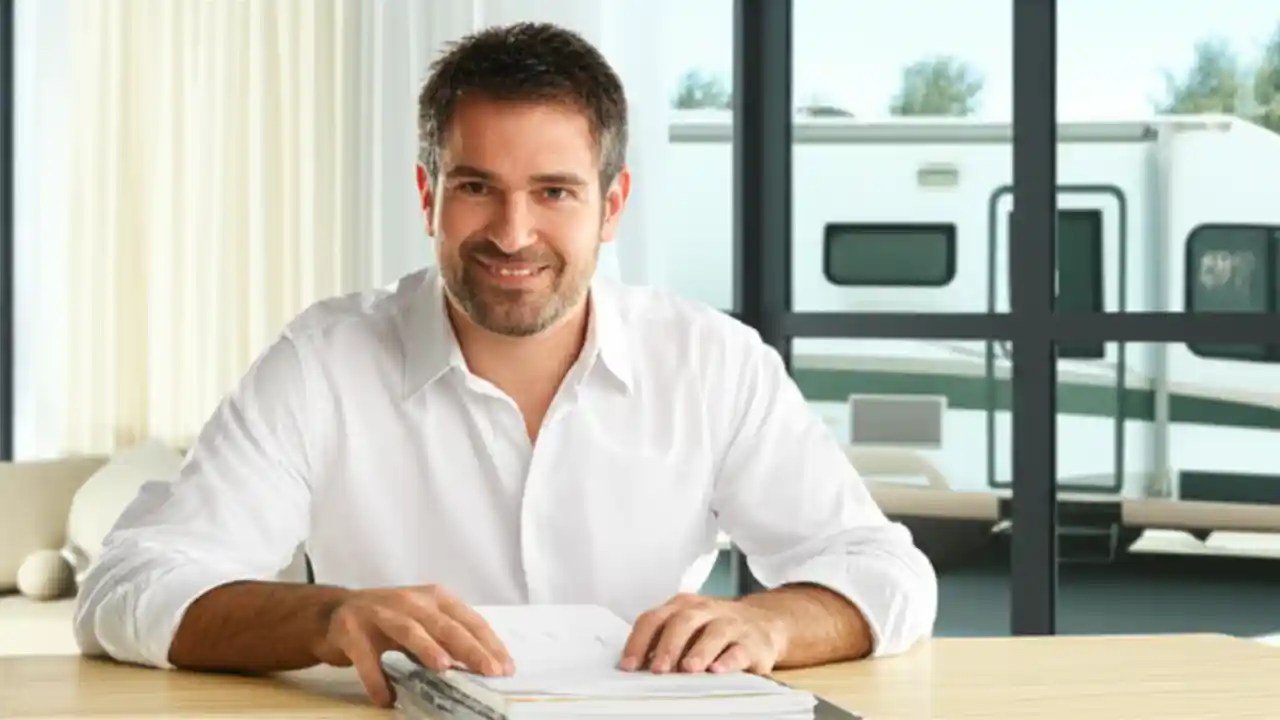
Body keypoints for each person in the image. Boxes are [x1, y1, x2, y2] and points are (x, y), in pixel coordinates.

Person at [73, 21, 937, 708]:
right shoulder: (323, 361)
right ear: (428, 196)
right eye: (476, 186)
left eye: (555, 192)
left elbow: (887, 572)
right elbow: (128, 585)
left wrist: (772, 624)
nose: (513, 234)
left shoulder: (713, 362)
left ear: (612, 206)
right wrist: (331, 617)